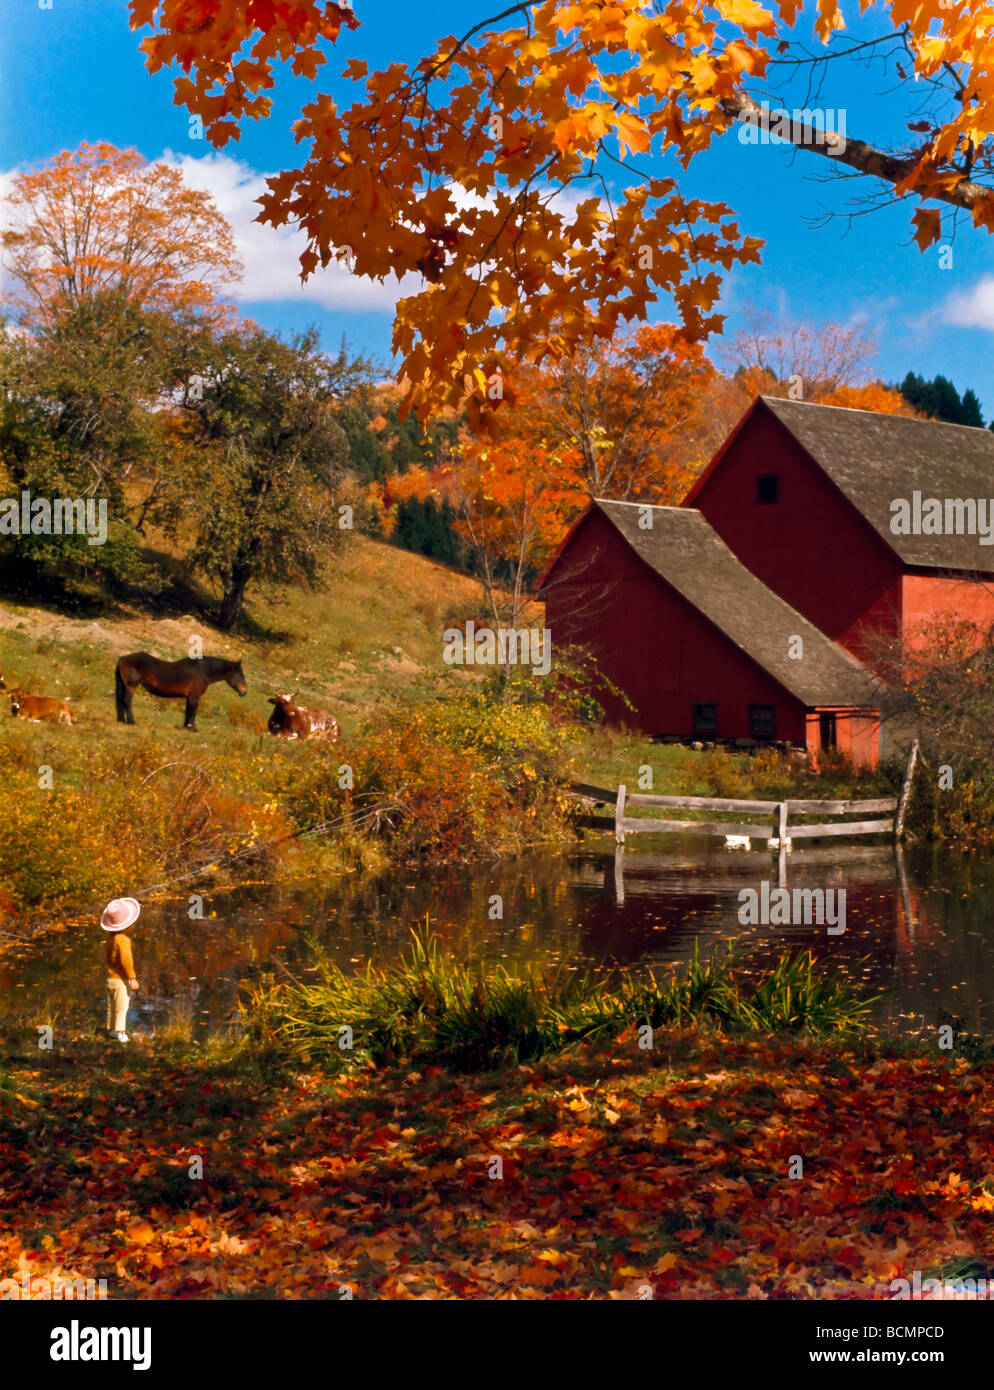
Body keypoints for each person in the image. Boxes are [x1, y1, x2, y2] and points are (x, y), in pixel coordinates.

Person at [101, 897, 141, 1043]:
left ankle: (111, 1029)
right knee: (121, 1006)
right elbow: (126, 960)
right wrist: (132, 978)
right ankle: (121, 1033)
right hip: (120, 979)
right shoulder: (123, 940)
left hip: (109, 978)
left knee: (111, 1005)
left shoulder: (110, 939)